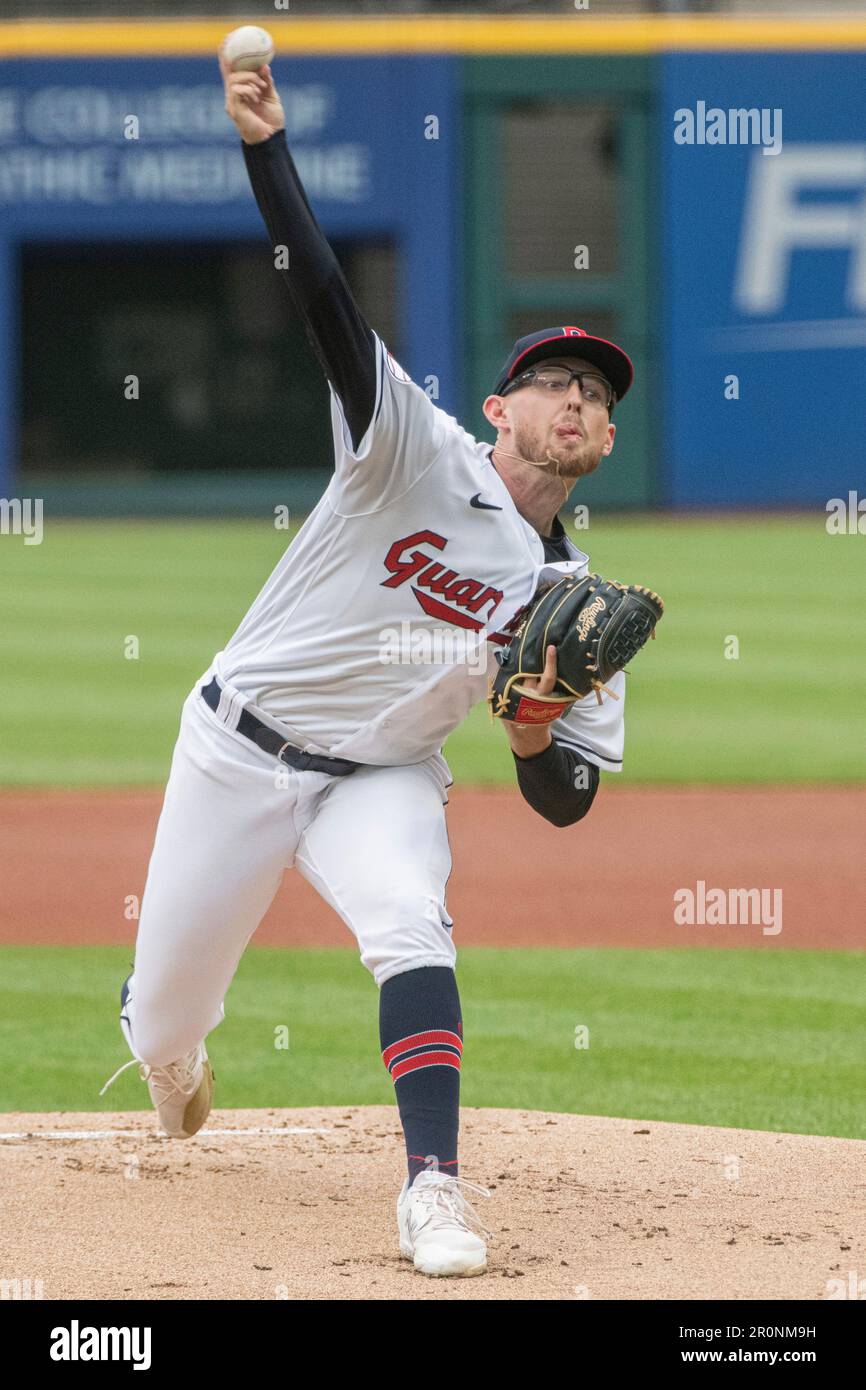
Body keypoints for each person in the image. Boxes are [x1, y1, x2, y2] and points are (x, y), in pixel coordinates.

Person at [100, 50, 635, 1280]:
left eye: (593, 395)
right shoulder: (412, 448)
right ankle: (167, 1043)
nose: (571, 400)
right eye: (550, 381)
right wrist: (263, 150)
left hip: (381, 775)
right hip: (235, 747)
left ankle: (432, 1190)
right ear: (499, 410)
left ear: (605, 437)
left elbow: (568, 802)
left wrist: (527, 732)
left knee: (412, 928)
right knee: (170, 1022)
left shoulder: (577, 610)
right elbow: (326, 300)